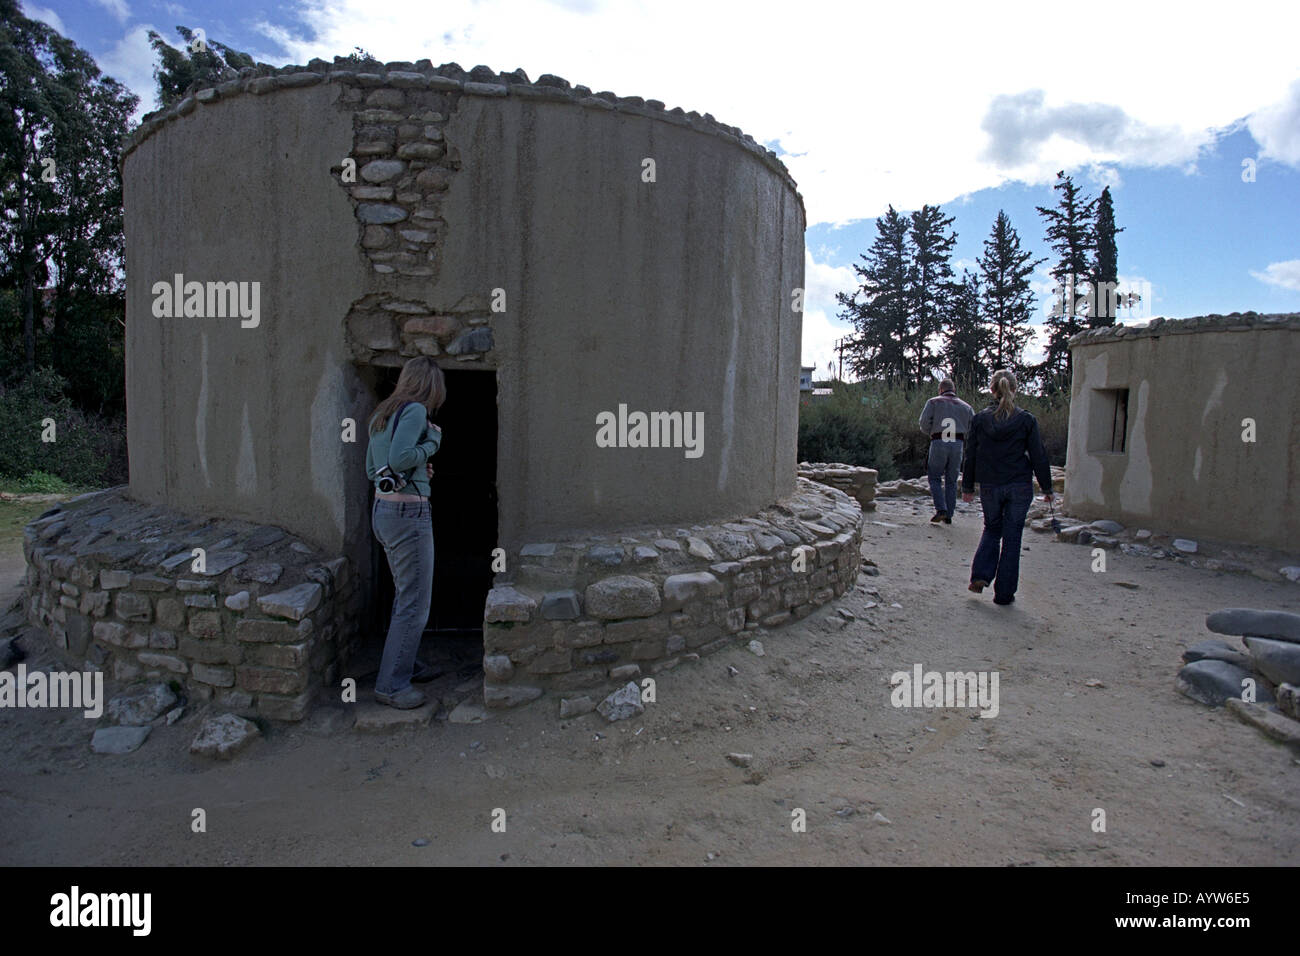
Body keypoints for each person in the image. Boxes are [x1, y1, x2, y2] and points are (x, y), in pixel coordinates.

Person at [365, 357, 446, 708]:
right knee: (415, 603)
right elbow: (400, 459)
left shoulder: (381, 414)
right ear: (430, 386)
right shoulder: (414, 411)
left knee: (404, 595)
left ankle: (404, 663)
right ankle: (392, 686)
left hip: (383, 509)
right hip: (408, 514)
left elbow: (375, 469)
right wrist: (432, 445)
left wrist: (416, 470)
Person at [960, 369, 1053, 606]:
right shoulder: (1026, 420)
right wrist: (1047, 487)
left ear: (992, 390)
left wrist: (968, 485)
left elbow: (970, 454)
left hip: (991, 484)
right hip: (1019, 484)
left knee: (991, 528)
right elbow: (1038, 455)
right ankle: (1004, 594)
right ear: (1015, 389)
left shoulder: (980, 419)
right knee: (1012, 538)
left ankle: (980, 575)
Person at [918, 377, 974, 524]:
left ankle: (941, 508)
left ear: (940, 389)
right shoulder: (966, 407)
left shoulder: (933, 402)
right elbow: (973, 426)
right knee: (952, 480)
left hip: (938, 441)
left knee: (934, 477)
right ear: (953, 390)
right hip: (958, 443)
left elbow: (923, 423)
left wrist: (931, 432)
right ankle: (949, 513)